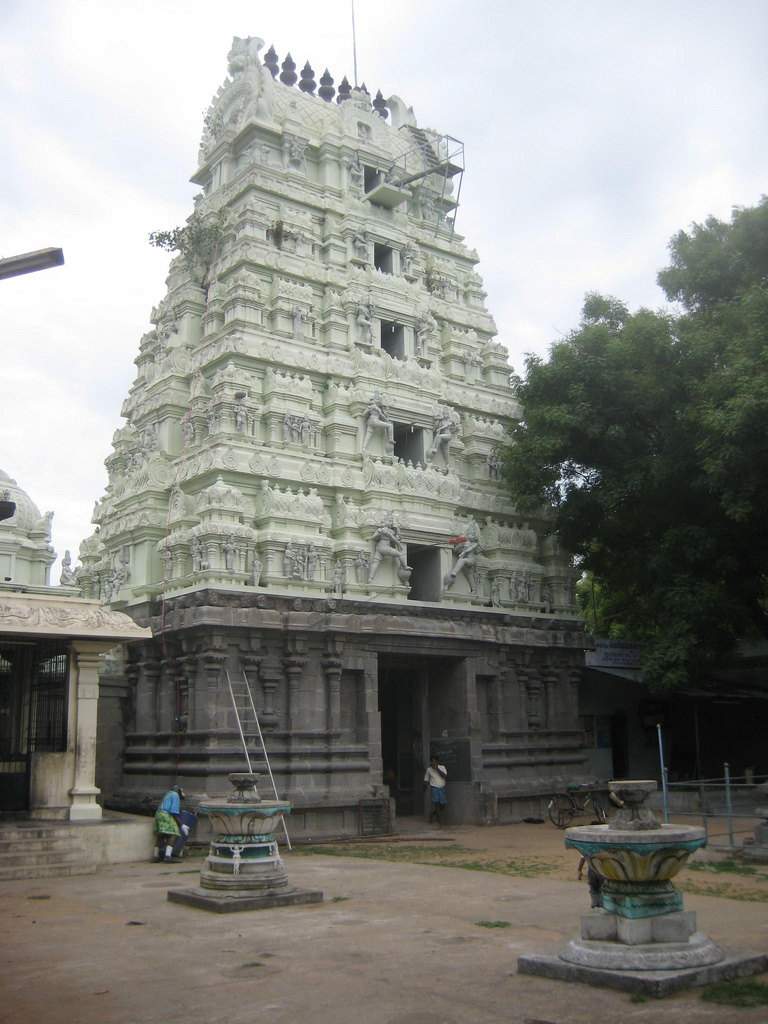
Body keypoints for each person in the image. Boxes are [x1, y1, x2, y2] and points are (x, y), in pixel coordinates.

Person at [153, 785, 188, 863]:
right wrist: (182, 825)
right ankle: (168, 856)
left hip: (158, 814)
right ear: (178, 791)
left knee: (161, 835)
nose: (183, 794)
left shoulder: (168, 794)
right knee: (174, 834)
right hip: (166, 815)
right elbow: (173, 812)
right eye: (182, 791)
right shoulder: (175, 796)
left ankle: (155, 856)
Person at [423, 757, 447, 826]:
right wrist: (424, 791)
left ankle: (432, 814)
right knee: (437, 805)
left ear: (436, 762)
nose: (432, 763)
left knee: (443, 805)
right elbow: (426, 781)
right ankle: (440, 823)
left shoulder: (442, 767)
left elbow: (444, 775)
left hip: (441, 788)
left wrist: (437, 769)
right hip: (434, 788)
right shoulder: (429, 770)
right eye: (431, 762)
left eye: (433, 761)